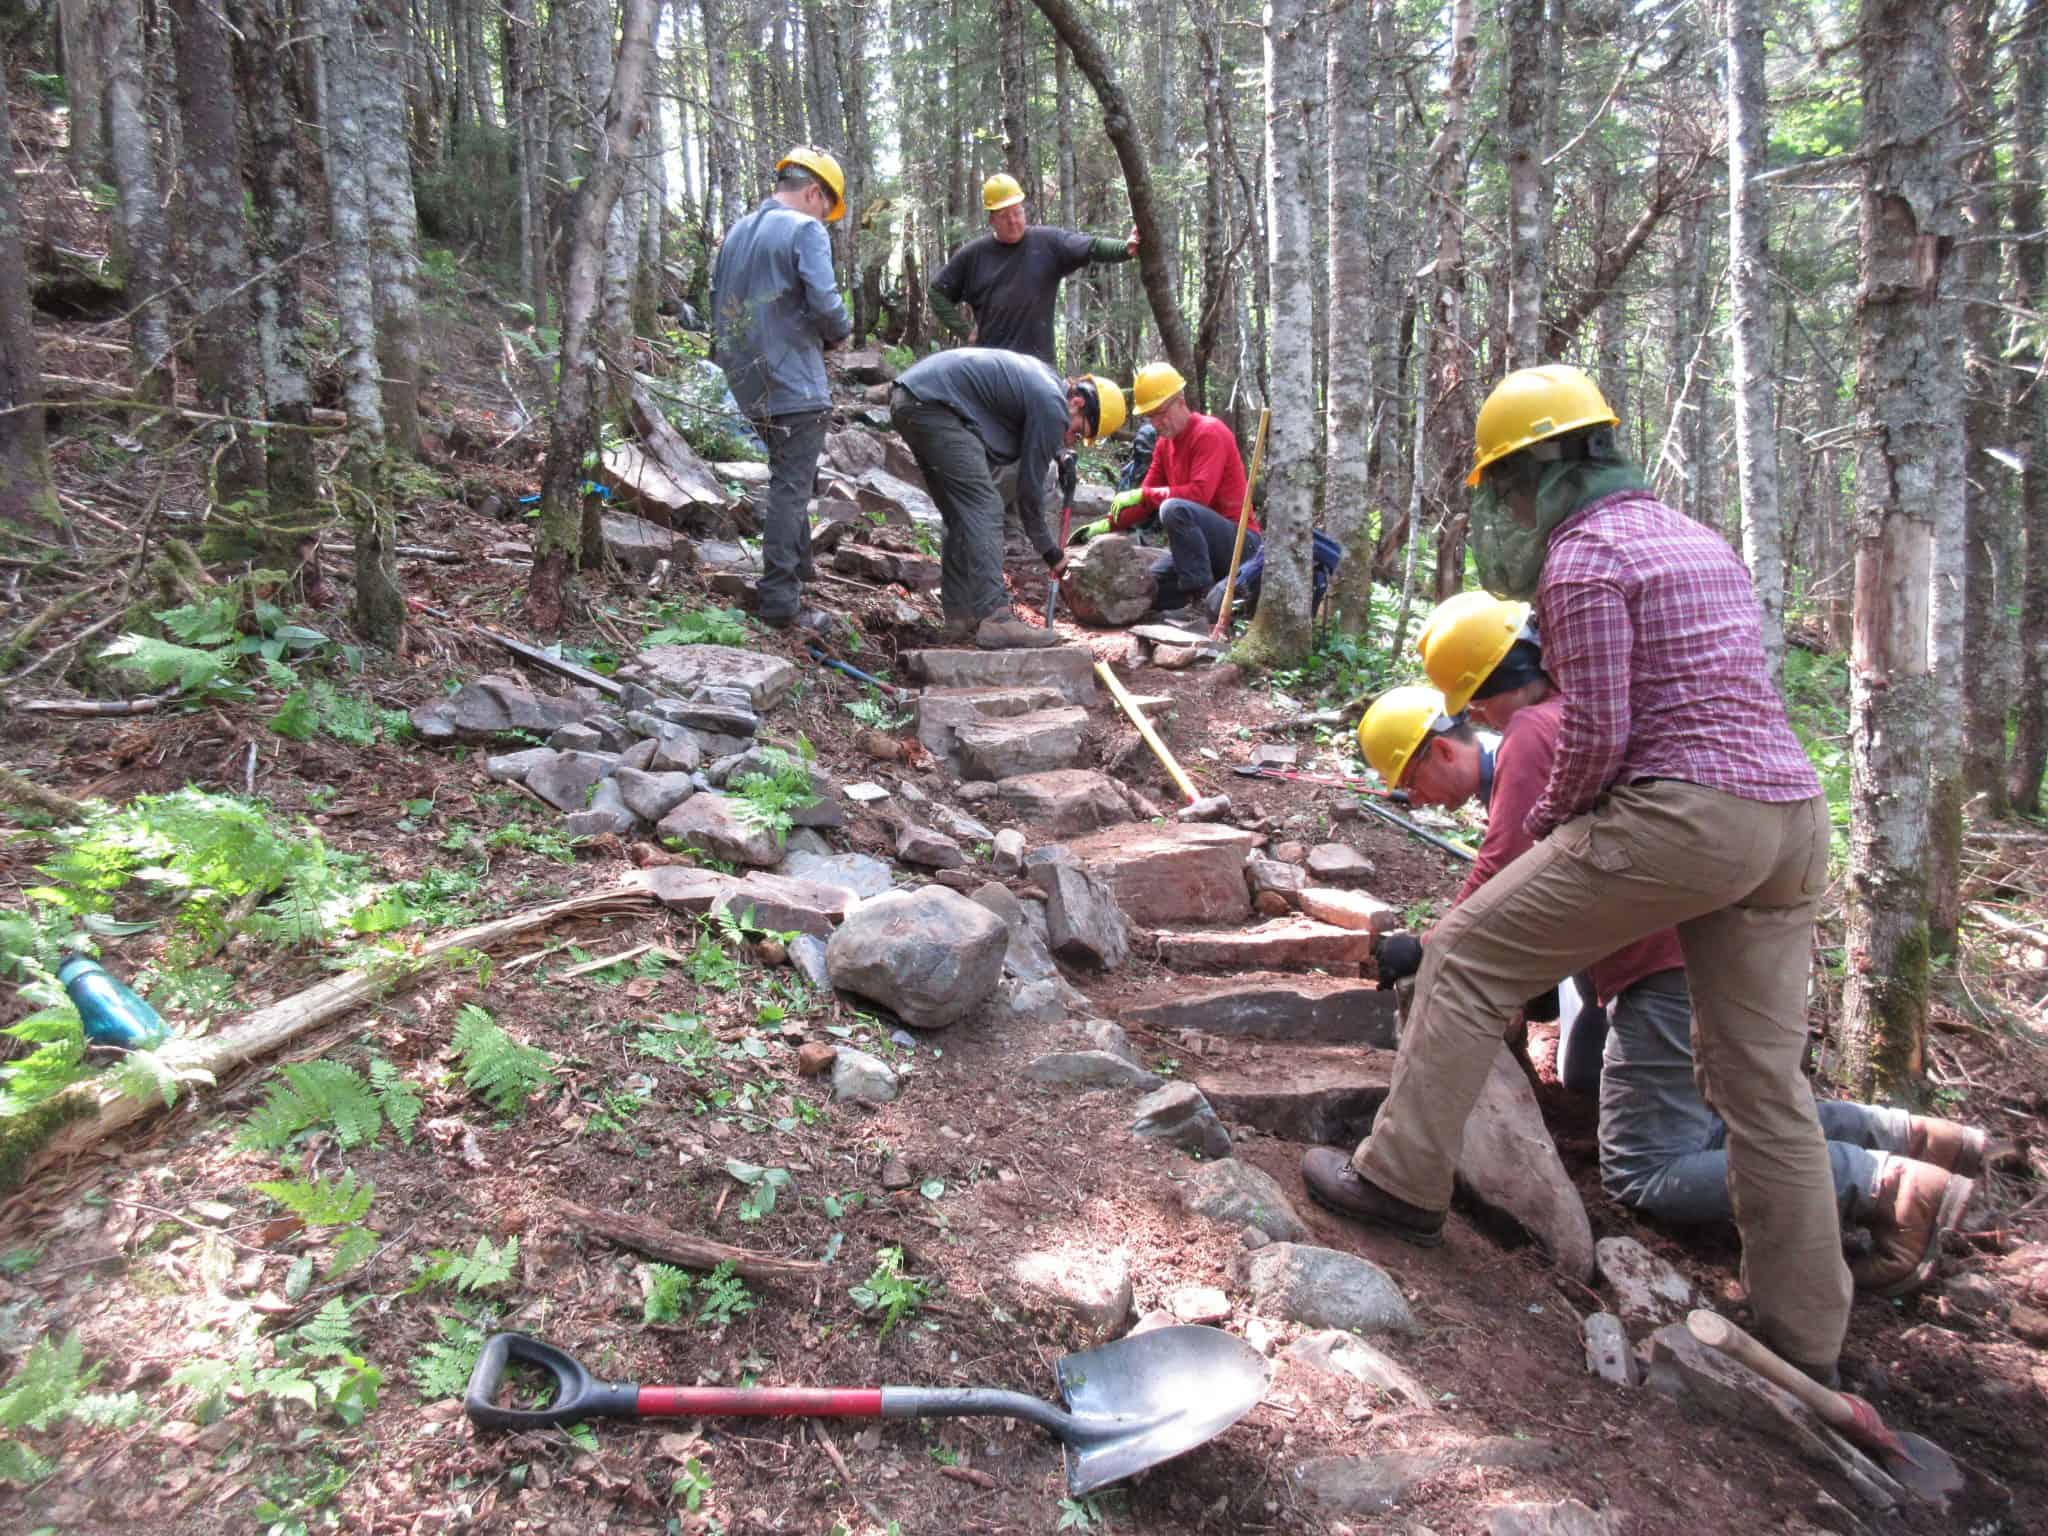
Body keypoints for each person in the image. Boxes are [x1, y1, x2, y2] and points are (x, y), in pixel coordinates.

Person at [1301, 363, 1854, 1385]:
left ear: (1537, 471)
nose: (1513, 512)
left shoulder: (1584, 557)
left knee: (1461, 957)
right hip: (1790, 818)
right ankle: (1805, 1339)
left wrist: (1553, 832)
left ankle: (1399, 1181)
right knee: (1761, 1091)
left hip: (1687, 813)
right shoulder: (1695, 538)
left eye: (1510, 491)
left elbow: (1596, 732)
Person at [1360, 600, 1985, 1300]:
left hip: (1658, 959)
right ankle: (1912, 1137)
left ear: (1445, 745)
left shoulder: (1535, 733)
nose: (1417, 800)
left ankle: (1885, 1186)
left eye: (1411, 783)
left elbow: (1504, 870)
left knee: (1644, 1166)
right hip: (1699, 933)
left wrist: (1430, 946)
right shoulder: (1584, 715)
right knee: (1692, 1097)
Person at [889, 349, 1125, 649]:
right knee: (985, 506)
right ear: (1077, 402)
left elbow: (1025, 430)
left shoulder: (1045, 384)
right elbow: (1029, 493)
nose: (1070, 439)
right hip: (936, 407)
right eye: (1077, 433)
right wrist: (1051, 552)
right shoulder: (1053, 403)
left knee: (960, 514)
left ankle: (959, 618)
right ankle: (996, 618)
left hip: (912, 398)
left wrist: (1056, 453)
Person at [708, 148, 853, 629]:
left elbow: (717, 304)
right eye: (825, 209)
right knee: (790, 488)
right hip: (794, 381)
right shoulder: (804, 230)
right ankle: (780, 601)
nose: (823, 220)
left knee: (790, 476)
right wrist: (840, 331)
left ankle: (802, 570)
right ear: (813, 193)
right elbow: (826, 303)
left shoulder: (735, 233)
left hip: (747, 382)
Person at [1074, 363, 1255, 620]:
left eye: (1160, 413)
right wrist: (1106, 525)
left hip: (1240, 545)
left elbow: (1198, 495)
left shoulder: (1209, 432)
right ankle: (1206, 593)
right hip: (1203, 554)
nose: (1156, 423)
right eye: (1150, 416)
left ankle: (1202, 602)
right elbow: (1145, 500)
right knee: (1146, 587)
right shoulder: (1163, 445)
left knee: (1173, 509)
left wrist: (1144, 495)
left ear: (1180, 401)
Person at [929, 174, 1139, 368]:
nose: (1013, 221)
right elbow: (937, 293)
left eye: (1017, 212)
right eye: (1004, 216)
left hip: (1039, 368)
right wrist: (966, 331)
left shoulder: (1047, 243)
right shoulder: (974, 255)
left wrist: (1125, 249)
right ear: (992, 220)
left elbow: (1092, 246)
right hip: (992, 369)